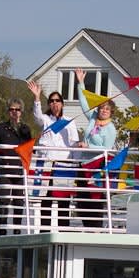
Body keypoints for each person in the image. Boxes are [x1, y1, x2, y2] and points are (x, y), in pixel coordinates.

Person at [26, 81, 79, 230]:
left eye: (57, 101)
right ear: (49, 104)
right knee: (46, 199)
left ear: (62, 104)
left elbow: (74, 144)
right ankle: (44, 231)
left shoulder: (69, 122)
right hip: (47, 164)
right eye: (51, 101)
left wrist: (77, 157)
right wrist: (37, 97)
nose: (54, 103)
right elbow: (37, 117)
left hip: (64, 164)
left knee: (63, 201)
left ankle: (64, 232)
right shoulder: (46, 119)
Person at [74, 68, 117, 227]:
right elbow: (84, 104)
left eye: (107, 109)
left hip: (97, 167)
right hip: (84, 165)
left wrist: (88, 145)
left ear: (111, 112)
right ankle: (87, 227)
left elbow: (106, 149)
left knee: (95, 200)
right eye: (102, 108)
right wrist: (81, 83)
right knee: (81, 199)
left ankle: (97, 229)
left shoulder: (111, 128)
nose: (103, 111)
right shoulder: (93, 118)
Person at [0, 99, 32, 234]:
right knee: (4, 200)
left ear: (21, 112)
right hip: (4, 170)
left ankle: (17, 231)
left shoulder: (25, 129)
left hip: (19, 169)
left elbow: (29, 144)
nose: (14, 112)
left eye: (17, 110)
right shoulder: (1, 127)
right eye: (12, 109)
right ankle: (3, 231)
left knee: (18, 201)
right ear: (8, 112)